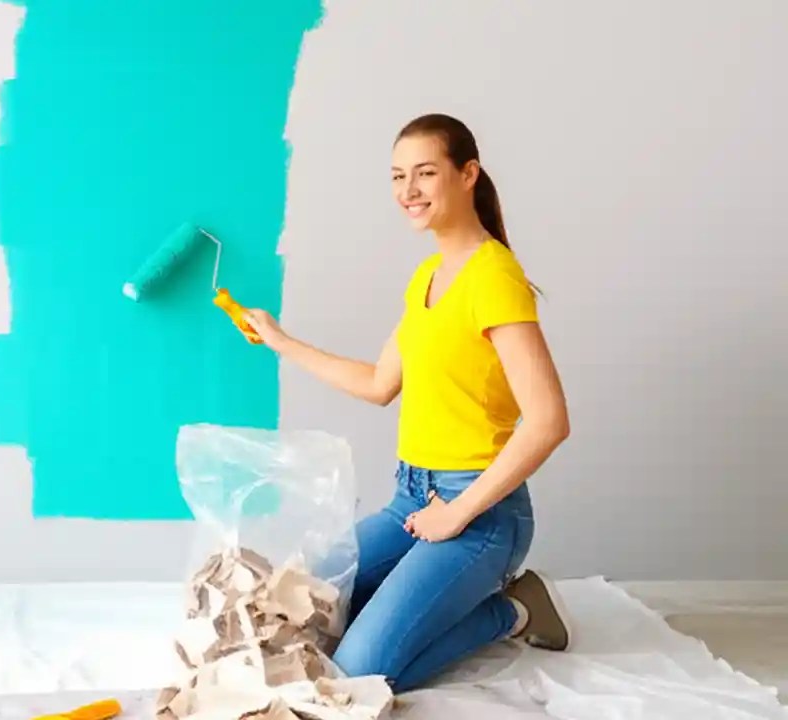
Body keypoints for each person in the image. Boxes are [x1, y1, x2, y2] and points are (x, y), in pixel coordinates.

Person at [241, 113, 573, 693]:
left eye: (425, 173)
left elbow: (548, 421)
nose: (408, 191)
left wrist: (458, 511)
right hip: (410, 501)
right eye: (397, 177)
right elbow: (378, 384)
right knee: (302, 611)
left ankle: (513, 610)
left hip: (480, 517)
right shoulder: (427, 275)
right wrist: (283, 342)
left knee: (355, 671)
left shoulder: (494, 277)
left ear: (468, 174)